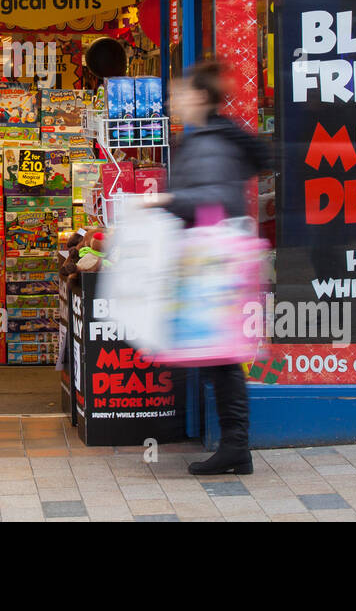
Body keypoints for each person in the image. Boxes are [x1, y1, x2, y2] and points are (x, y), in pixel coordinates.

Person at [158, 59, 272, 475]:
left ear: (201, 97)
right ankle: (234, 446)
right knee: (219, 358)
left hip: (214, 267)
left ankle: (236, 447)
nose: (173, 102)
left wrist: (162, 201)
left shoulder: (209, 142)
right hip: (215, 264)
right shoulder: (208, 137)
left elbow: (212, 198)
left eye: (180, 94)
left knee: (221, 360)